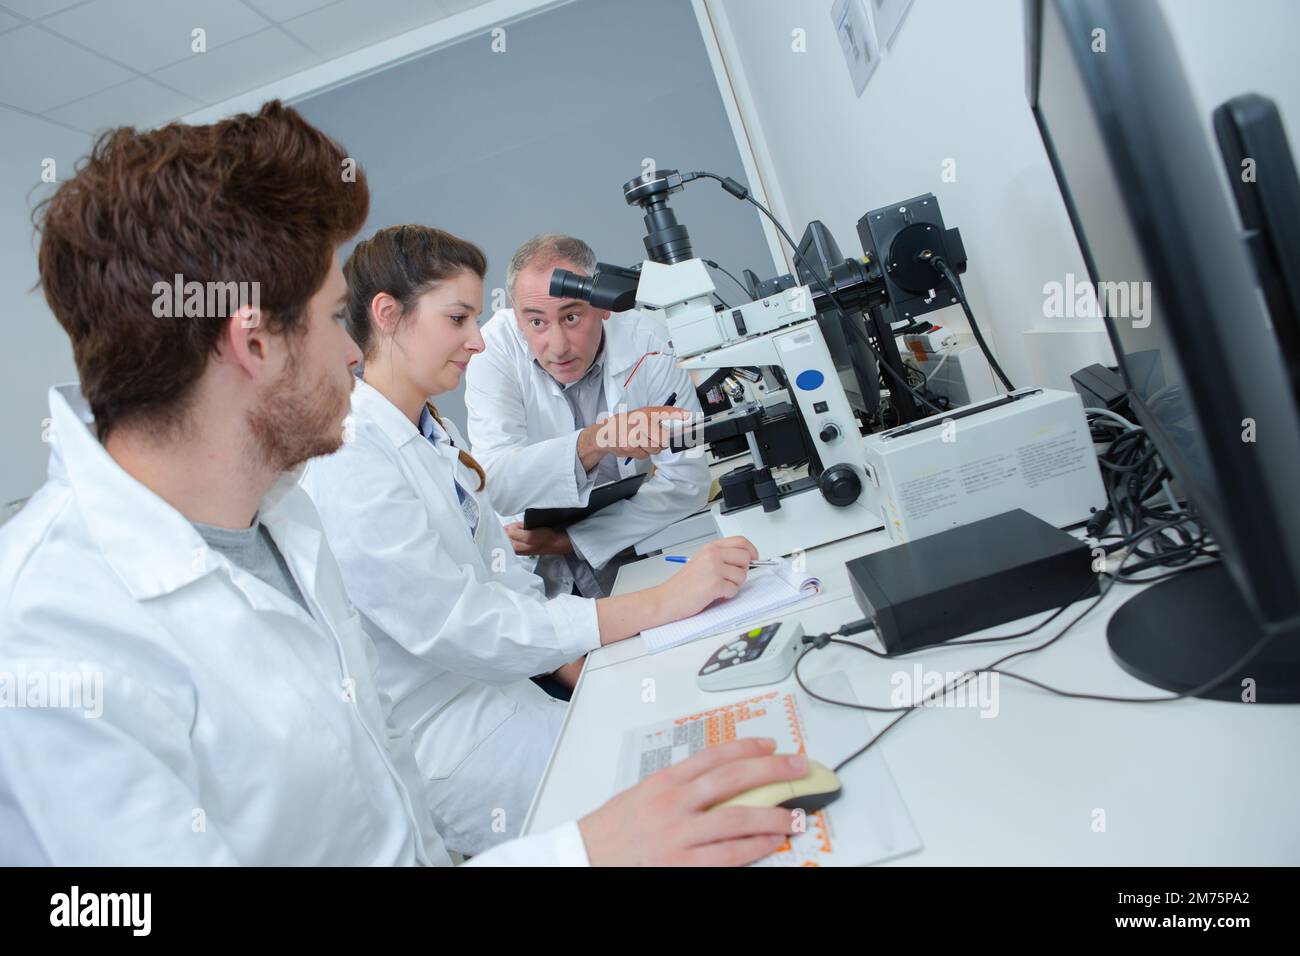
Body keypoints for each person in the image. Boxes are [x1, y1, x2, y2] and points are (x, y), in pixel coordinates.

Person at [0, 101, 805, 866]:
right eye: (329, 319)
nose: (353, 355)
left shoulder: (278, 517)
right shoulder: (49, 639)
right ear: (252, 344)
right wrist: (581, 851)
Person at [301, 224, 759, 855]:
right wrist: (667, 602)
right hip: (451, 739)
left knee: (686, 751)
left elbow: (508, 584)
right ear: (388, 315)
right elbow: (462, 625)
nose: (478, 342)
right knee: (679, 799)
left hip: (509, 696)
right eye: (460, 318)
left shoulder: (433, 435)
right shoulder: (352, 454)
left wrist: (604, 679)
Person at [464, 233, 712, 599]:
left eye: (572, 316)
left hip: (628, 542)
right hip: (528, 563)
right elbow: (496, 484)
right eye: (536, 323)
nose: (559, 345)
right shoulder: (493, 351)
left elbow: (689, 481)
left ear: (604, 305)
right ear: (515, 317)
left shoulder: (649, 342)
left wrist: (572, 540)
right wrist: (595, 441)